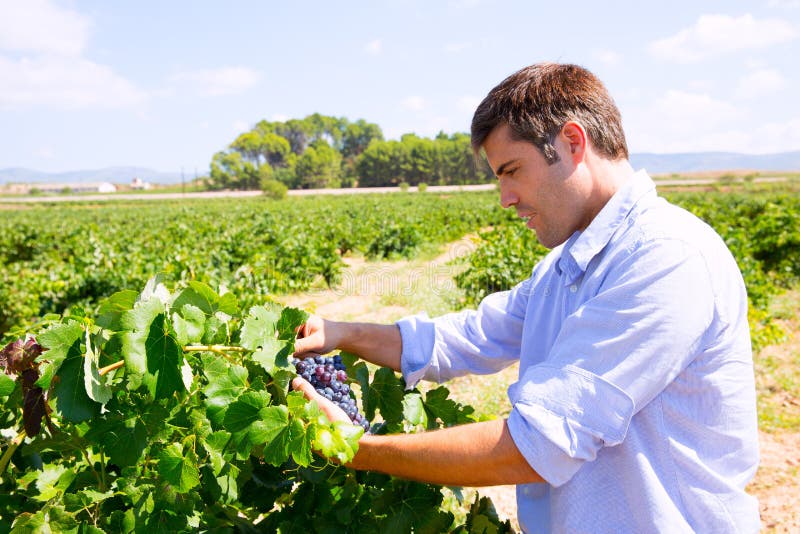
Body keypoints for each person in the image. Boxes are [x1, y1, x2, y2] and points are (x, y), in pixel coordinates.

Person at [291, 62, 760, 533]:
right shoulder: (569, 265)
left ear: (573, 143)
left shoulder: (664, 258)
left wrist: (356, 447)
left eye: (512, 171)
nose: (505, 198)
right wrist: (340, 333)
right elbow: (470, 337)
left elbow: (540, 446)